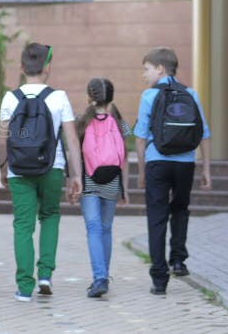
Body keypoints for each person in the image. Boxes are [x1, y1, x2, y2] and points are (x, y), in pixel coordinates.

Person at [0, 43, 83, 302]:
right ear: (47, 68)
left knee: (23, 226)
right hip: (51, 167)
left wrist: (3, 168)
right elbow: (72, 141)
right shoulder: (59, 97)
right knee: (50, 216)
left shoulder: (10, 98)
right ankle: (45, 274)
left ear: (21, 68)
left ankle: (24, 287)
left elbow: (2, 139)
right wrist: (77, 175)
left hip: (19, 169)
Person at [134, 47, 212, 296]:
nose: (144, 75)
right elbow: (204, 134)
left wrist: (142, 170)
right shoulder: (190, 93)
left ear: (160, 69)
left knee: (156, 218)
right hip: (185, 163)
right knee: (180, 209)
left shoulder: (149, 96)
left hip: (158, 161)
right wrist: (206, 169)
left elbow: (139, 136)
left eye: (146, 69)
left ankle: (159, 279)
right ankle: (178, 260)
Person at [76, 77, 131, 298]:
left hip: (89, 180)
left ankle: (99, 279)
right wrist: (124, 189)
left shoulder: (81, 122)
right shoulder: (119, 122)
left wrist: (74, 181)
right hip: (112, 180)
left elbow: (75, 154)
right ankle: (103, 277)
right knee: (106, 228)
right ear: (112, 97)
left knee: (93, 228)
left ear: (89, 97)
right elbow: (125, 157)